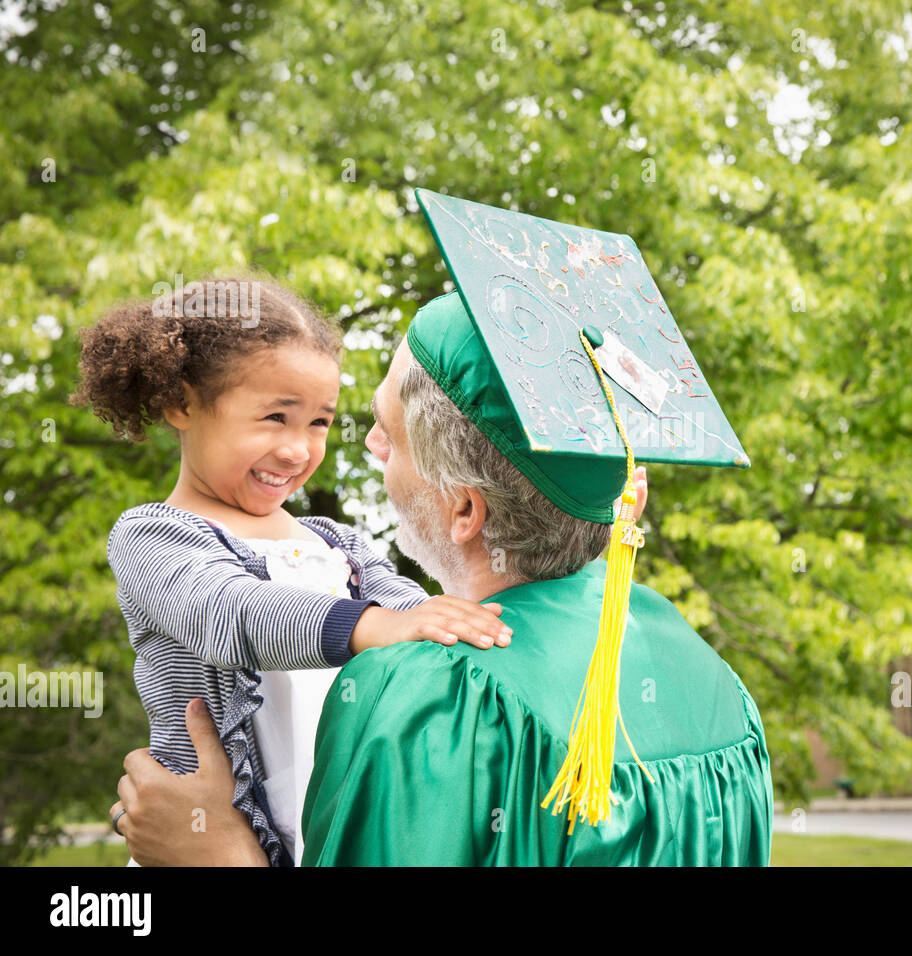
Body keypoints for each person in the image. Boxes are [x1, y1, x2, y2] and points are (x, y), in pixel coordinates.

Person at [115, 193, 772, 865]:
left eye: (383, 432)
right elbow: (234, 610)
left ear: (464, 510)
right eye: (277, 417)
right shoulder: (708, 680)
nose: (362, 444)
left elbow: (403, 609)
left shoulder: (434, 699)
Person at [75, 276, 516, 866]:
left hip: (314, 835)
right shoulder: (154, 537)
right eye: (276, 417)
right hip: (207, 836)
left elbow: (416, 616)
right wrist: (369, 626)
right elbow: (232, 614)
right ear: (183, 403)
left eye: (318, 423)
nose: (298, 449)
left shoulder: (339, 545)